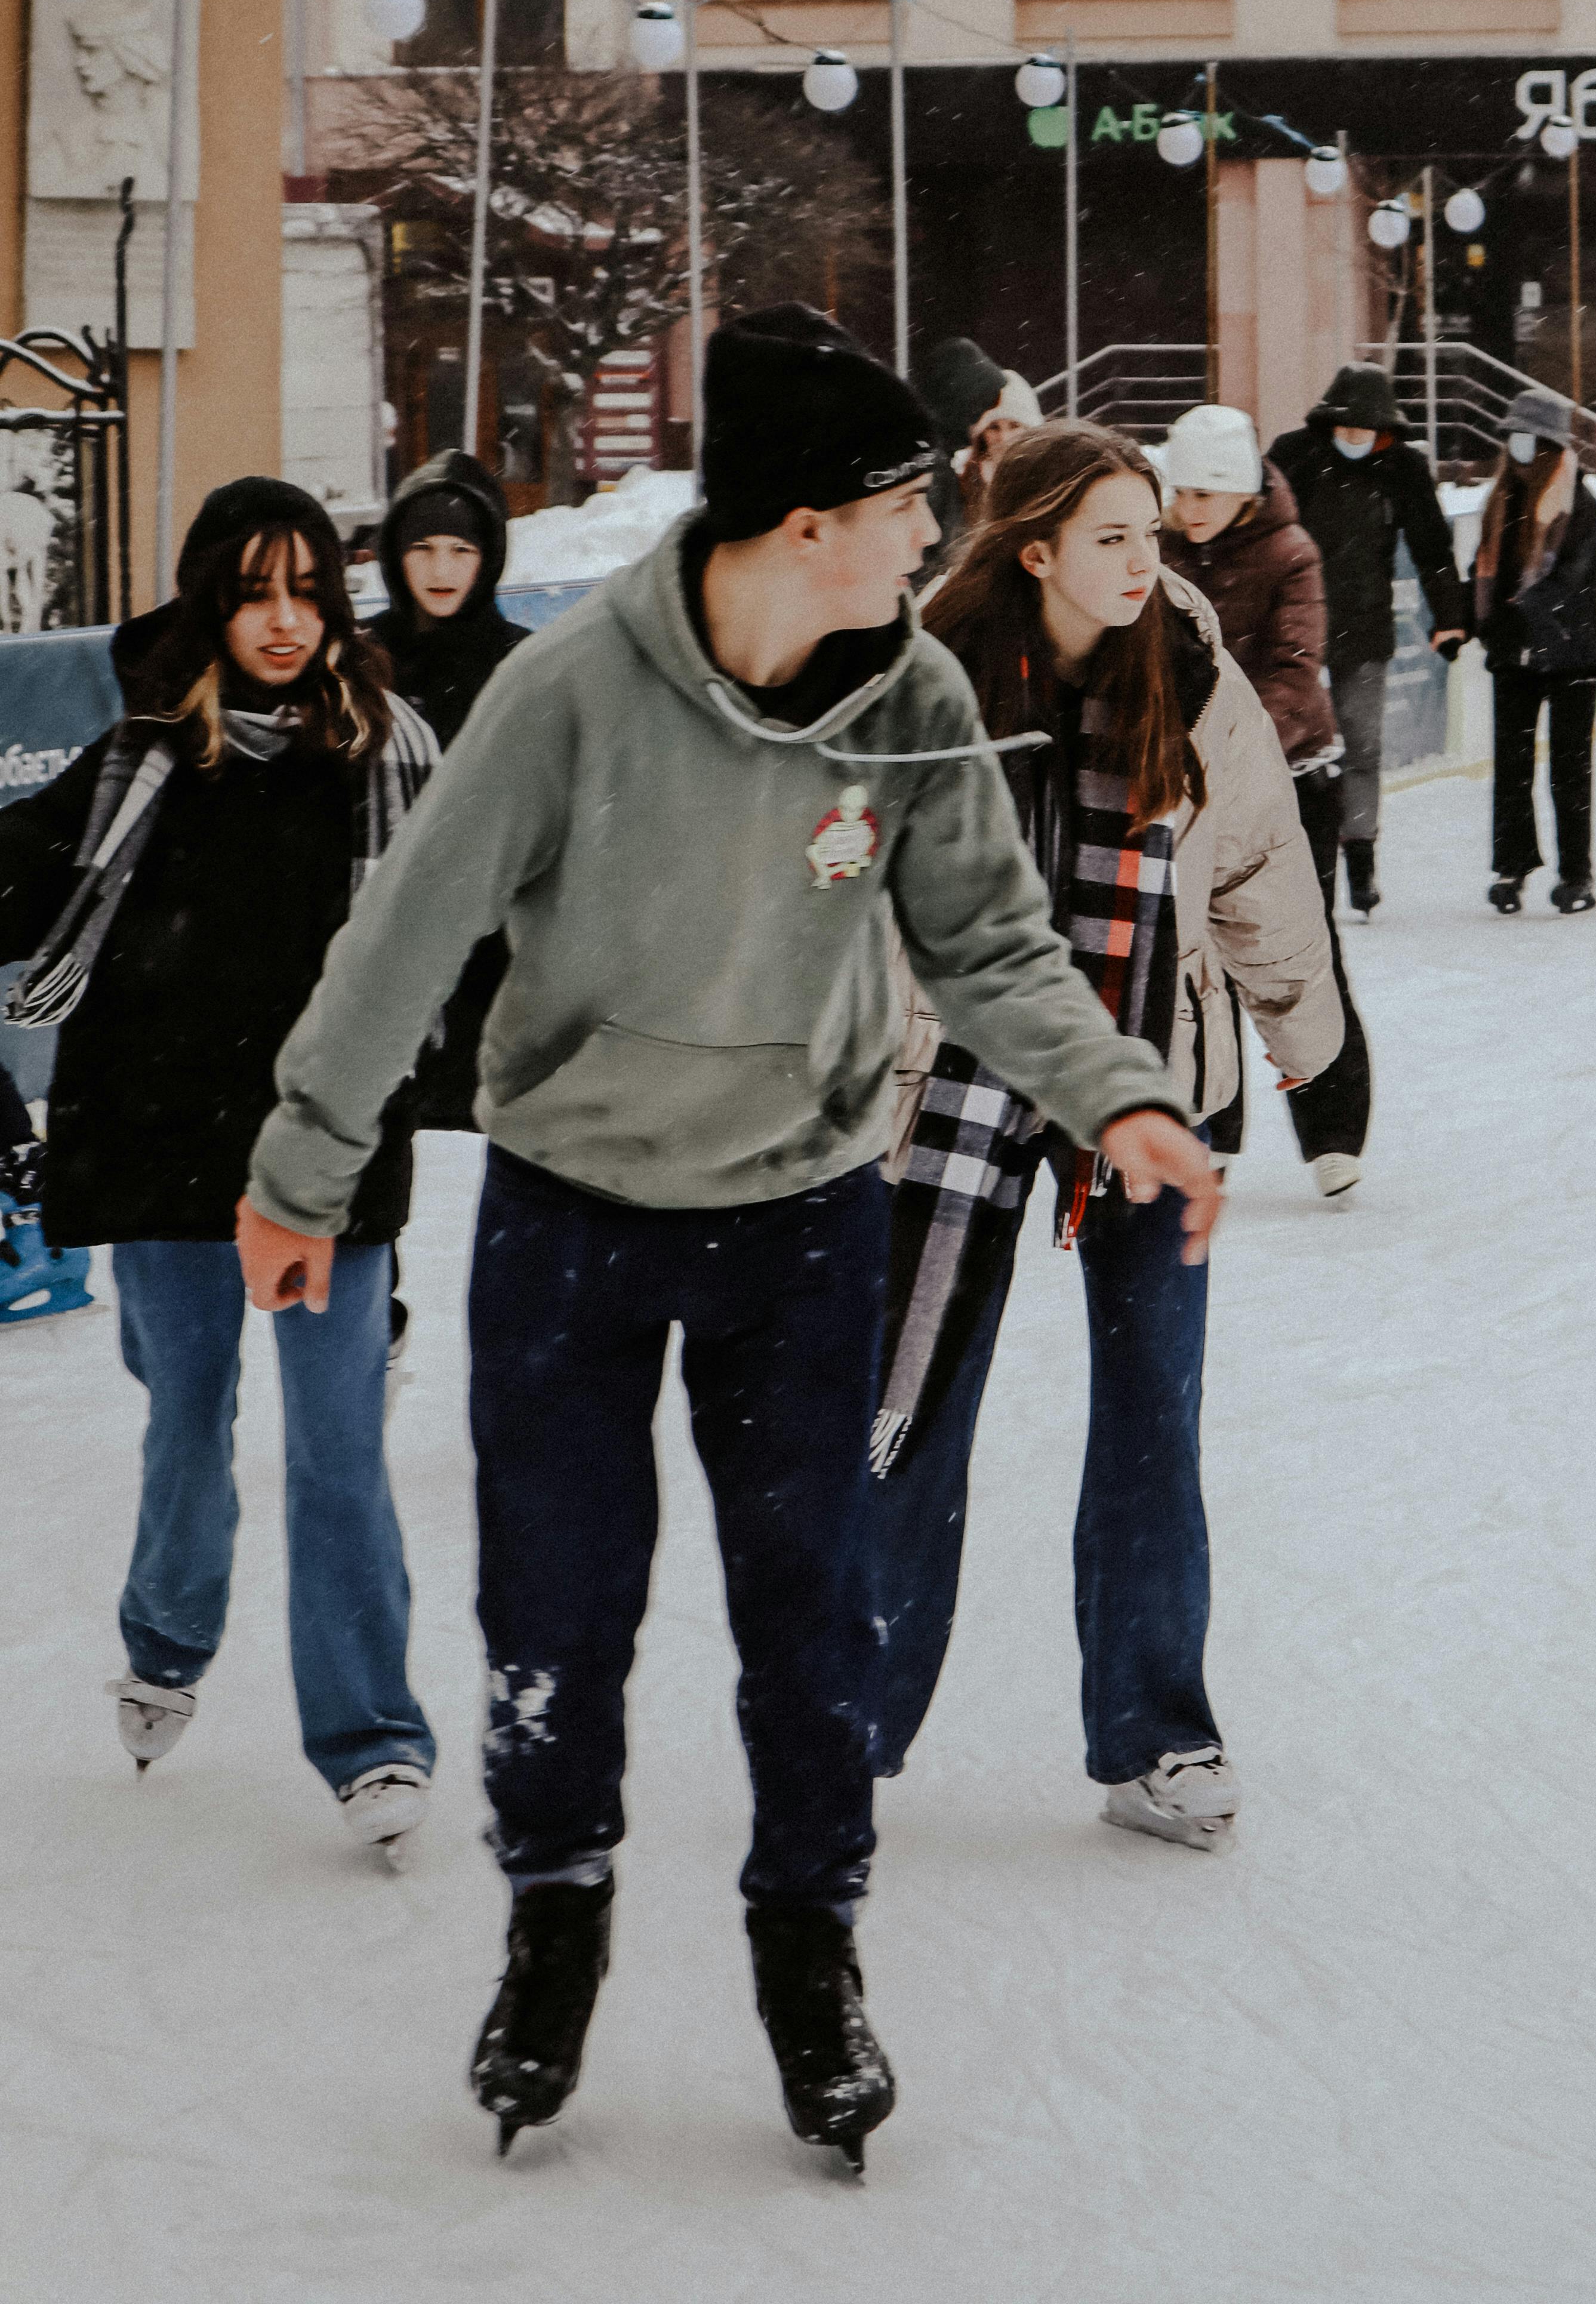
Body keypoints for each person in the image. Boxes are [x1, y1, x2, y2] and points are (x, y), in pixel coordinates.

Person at [238, 316, 1214, 2172]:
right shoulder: (574, 692)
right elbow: (406, 929)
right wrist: (302, 1169)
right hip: (572, 1215)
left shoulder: (911, 692)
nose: (931, 525)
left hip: (802, 1218)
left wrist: (1118, 1093)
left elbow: (994, 947)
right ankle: (556, 1917)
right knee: (558, 1606)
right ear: (795, 521)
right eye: (901, 499)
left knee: (809, 1609)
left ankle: (808, 1946)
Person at [875, 423, 1341, 1852]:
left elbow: (1257, 856)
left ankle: (1155, 1732)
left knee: (1153, 1413)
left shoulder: (1191, 673)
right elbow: (831, 875)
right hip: (952, 1079)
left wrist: (1316, 1053)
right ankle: (842, 1714)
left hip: (1155, 1075)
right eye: (1113, 541)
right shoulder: (921, 682)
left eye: (1152, 534)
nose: (1147, 565)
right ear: (1035, 552)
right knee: (906, 1413)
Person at [0, 479, 440, 1850]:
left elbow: (468, 931)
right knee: (186, 1415)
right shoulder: (145, 755)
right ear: (210, 599)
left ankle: (371, 1739)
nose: (285, 619)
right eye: (255, 592)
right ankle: (168, 1636)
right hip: (165, 1142)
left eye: (307, 589)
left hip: (326, 1157)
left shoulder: (386, 758)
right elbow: (17, 874)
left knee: (336, 1449)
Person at [1157, 401, 1371, 1202]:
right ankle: (1216, 1126)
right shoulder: (1163, 550)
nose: (1187, 511)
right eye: (1180, 495)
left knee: (1296, 950)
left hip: (1293, 776)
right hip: (1189, 787)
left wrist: (1225, 748)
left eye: (1203, 496)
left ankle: (1335, 1134)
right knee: (1194, 959)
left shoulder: (1291, 552)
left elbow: (1293, 669)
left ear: (1241, 492)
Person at [369, 451, 530, 1361]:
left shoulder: (525, 665)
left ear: (488, 558)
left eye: (459, 550)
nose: (439, 567)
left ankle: (523, 1325)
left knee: (527, 1144)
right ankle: (372, 1317)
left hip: (501, 951)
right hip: (390, 943)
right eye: (422, 546)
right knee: (372, 1130)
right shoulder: (358, 661)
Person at [1268, 362, 1469, 918]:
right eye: (1347, 428)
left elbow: (1432, 545)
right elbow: (1261, 532)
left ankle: (1360, 861)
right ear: (1329, 422)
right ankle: (1297, 862)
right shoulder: (1295, 455)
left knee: (1363, 746)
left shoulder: (1403, 467)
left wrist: (1449, 616)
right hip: (1296, 623)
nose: (1357, 438)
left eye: (1368, 430)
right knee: (1294, 748)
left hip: (1365, 622)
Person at [1474, 392, 1596, 915]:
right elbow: (1483, 567)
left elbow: (1575, 578)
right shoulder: (1499, 500)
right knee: (1512, 767)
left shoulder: (1579, 504)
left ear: (1550, 446)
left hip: (1570, 655)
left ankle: (1577, 874)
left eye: (1529, 440)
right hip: (1512, 655)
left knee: (1570, 770)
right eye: (1513, 440)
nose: (1519, 450)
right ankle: (1512, 866)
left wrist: (1523, 608)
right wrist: (1475, 619)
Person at [915, 336, 1040, 571]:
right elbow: (940, 550)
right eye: (994, 427)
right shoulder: (936, 467)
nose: (1004, 438)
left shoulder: (938, 461)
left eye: (1015, 426)